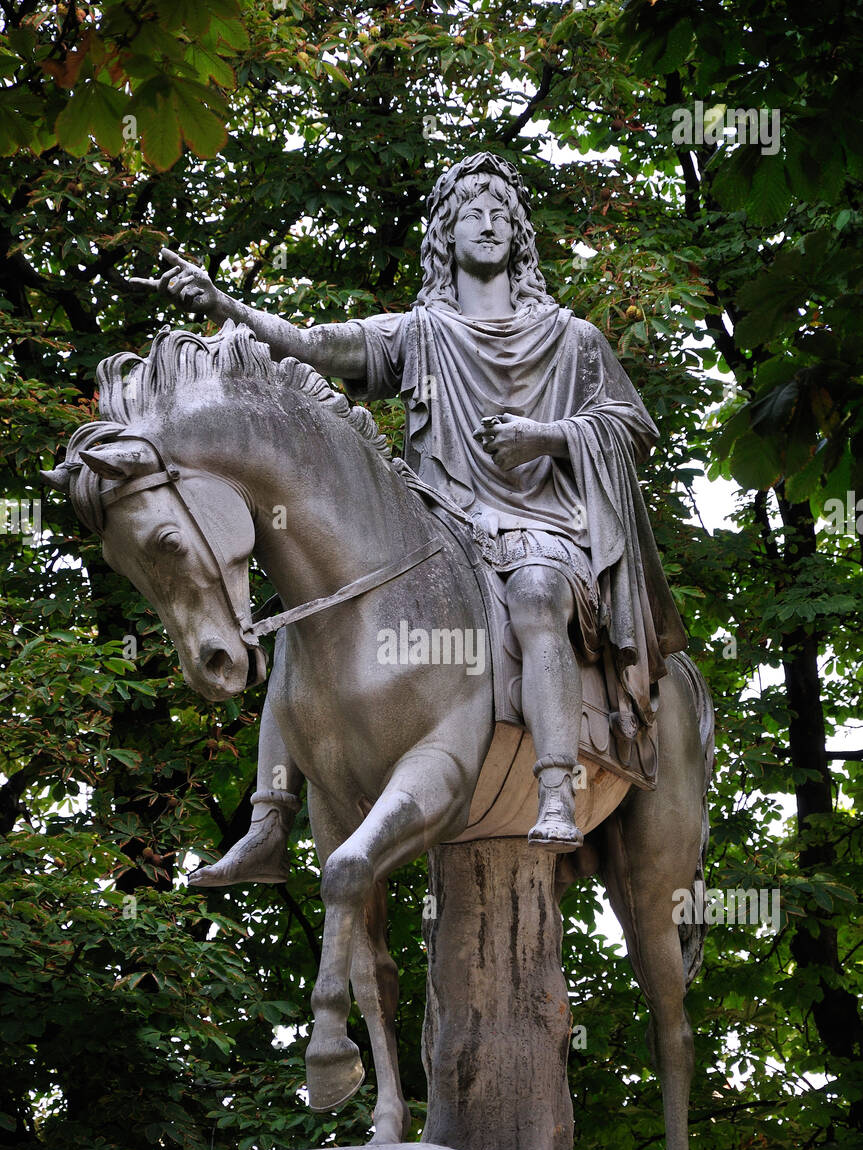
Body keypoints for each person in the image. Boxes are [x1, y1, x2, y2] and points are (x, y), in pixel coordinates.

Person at [156, 152, 686, 883]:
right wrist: (227, 306)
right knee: (301, 620)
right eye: (473, 212)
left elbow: (627, 425)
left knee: (535, 595)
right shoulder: (419, 332)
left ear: (520, 237)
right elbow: (314, 345)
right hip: (442, 528)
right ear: (445, 234)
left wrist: (549, 436)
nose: (490, 223)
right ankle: (268, 821)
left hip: (541, 528)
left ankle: (556, 785)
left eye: (502, 213)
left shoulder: (573, 339)